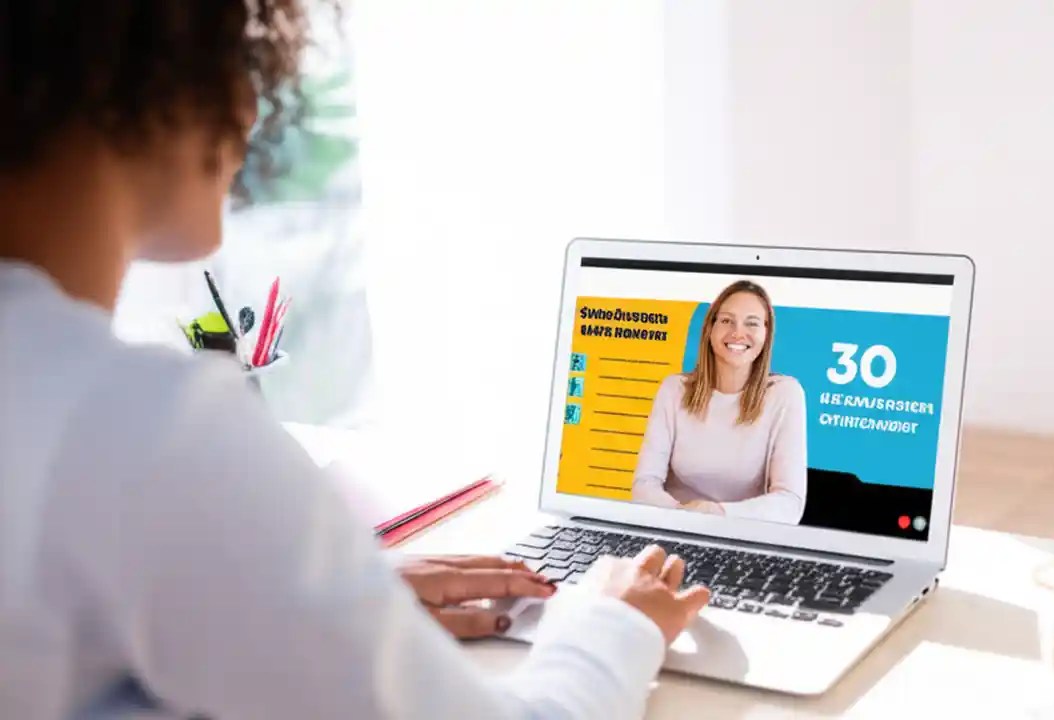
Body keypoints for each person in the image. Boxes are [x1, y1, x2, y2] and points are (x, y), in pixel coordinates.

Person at [0, 2, 709, 718]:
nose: (250, 105)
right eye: (233, 56)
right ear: (129, 77)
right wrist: (612, 623)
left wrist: (294, 603)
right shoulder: (144, 428)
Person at [631, 280, 808, 524]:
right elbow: (644, 486)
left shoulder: (785, 394)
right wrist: (685, 517)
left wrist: (718, 514)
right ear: (710, 329)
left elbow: (789, 504)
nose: (737, 333)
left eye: (752, 323)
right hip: (672, 527)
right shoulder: (673, 389)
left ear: (766, 334)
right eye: (726, 320)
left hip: (743, 535)